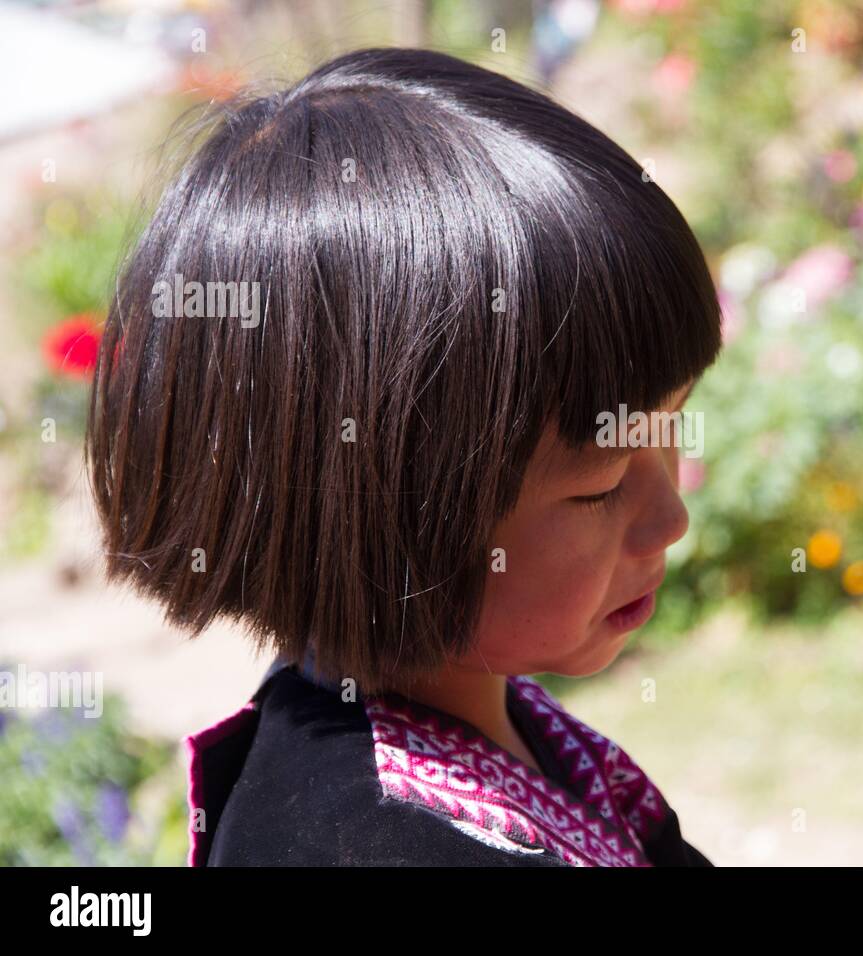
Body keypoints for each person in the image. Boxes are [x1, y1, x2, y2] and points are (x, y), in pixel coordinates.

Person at [85, 47, 721, 866]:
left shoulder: (508, 733)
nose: (670, 518)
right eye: (599, 485)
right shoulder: (361, 842)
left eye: (670, 424)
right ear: (380, 512)